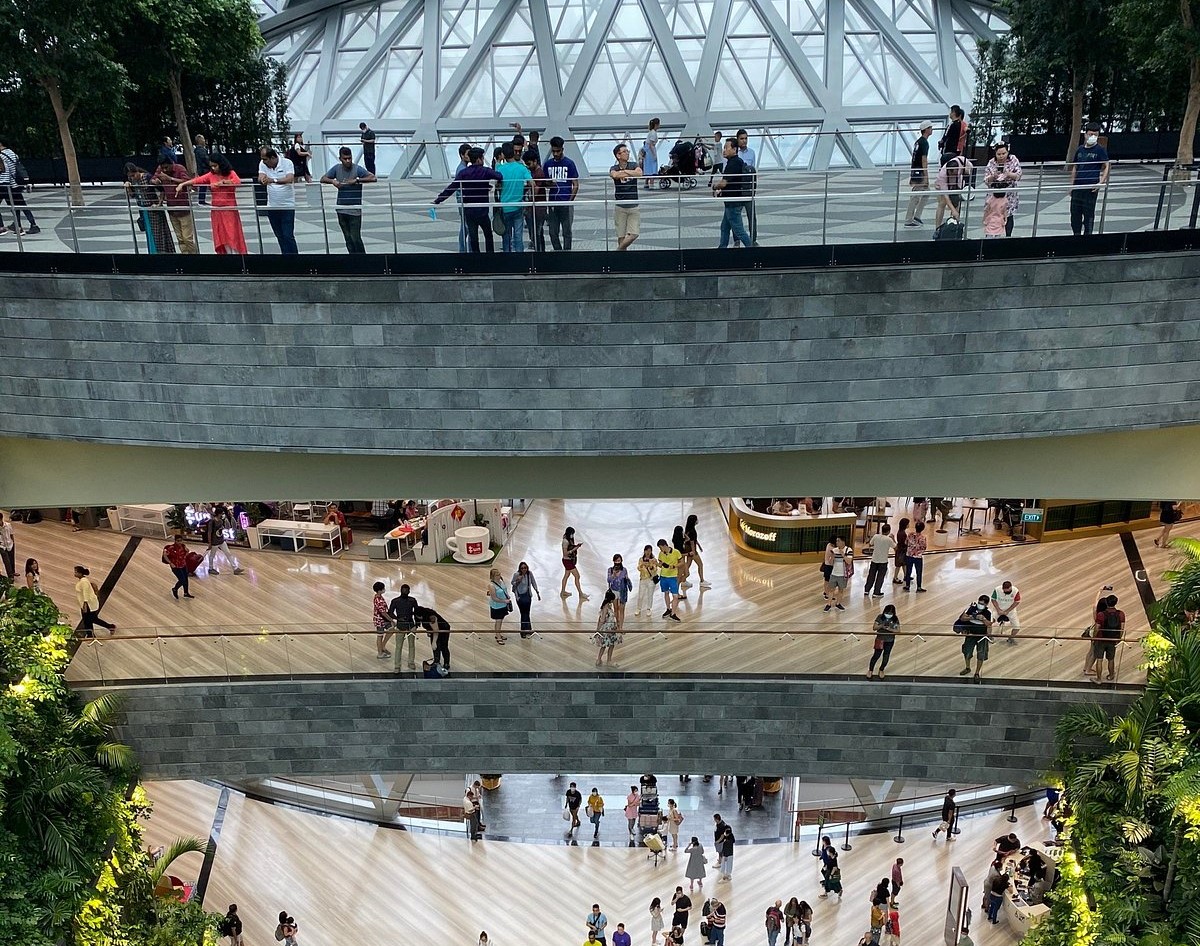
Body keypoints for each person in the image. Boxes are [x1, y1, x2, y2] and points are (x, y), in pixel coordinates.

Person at [433, 146, 503, 253]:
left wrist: (439, 199)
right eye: (482, 158)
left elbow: (452, 187)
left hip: (469, 210)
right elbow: (499, 176)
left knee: (473, 238)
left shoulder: (463, 173)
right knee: (488, 235)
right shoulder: (485, 171)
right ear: (479, 159)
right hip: (482, 210)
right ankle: (490, 258)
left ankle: (475, 260)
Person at [175, 153, 247, 254]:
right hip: (217, 210)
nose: (213, 168)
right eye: (211, 166)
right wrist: (182, 184)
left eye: (215, 166)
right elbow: (197, 180)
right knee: (222, 235)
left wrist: (224, 182)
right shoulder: (211, 175)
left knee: (232, 234)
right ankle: (227, 256)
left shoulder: (230, 173)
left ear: (221, 164)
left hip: (229, 210)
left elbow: (237, 181)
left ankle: (236, 255)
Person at [321, 147, 376, 253]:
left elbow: (373, 178)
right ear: (340, 159)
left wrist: (357, 180)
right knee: (347, 238)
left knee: (355, 237)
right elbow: (323, 178)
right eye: (345, 159)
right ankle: (353, 258)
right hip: (341, 209)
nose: (348, 161)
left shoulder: (357, 169)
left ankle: (362, 259)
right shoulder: (337, 168)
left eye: (349, 158)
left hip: (354, 210)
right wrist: (333, 181)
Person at [150, 158, 199, 254]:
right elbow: (153, 179)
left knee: (187, 238)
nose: (164, 170)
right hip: (172, 209)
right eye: (162, 168)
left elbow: (187, 181)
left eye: (166, 167)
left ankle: (194, 256)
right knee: (180, 238)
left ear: (171, 164)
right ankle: (185, 256)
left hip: (183, 208)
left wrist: (170, 179)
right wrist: (155, 181)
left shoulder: (179, 168)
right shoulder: (160, 169)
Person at [124, 163, 175, 254]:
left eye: (133, 175)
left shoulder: (147, 177)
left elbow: (161, 189)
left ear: (137, 171)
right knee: (150, 233)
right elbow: (133, 195)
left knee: (158, 234)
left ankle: (162, 253)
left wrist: (159, 204)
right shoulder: (132, 181)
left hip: (153, 210)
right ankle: (153, 253)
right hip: (143, 211)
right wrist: (129, 187)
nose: (132, 178)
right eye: (130, 176)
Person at [1069, 123, 1110, 236]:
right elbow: (1075, 166)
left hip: (1091, 187)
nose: (1093, 137)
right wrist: (1071, 185)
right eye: (1091, 134)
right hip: (1078, 186)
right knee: (1075, 214)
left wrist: (1101, 182)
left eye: (1095, 135)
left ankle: (1088, 236)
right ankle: (1076, 235)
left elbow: (1106, 165)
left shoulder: (1099, 150)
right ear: (1086, 135)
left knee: (1088, 215)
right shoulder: (1080, 150)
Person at [713, 138, 752, 249]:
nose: (724, 150)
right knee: (724, 227)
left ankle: (753, 250)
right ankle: (722, 249)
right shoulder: (736, 161)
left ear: (734, 149)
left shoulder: (733, 163)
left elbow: (724, 183)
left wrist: (715, 186)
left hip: (733, 202)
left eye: (726, 148)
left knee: (739, 231)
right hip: (732, 201)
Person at [259, 148, 298, 254]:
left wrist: (273, 180)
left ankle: (295, 259)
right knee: (279, 235)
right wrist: (262, 179)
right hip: (272, 206)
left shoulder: (287, 163)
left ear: (272, 158)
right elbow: (261, 175)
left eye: (265, 159)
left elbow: (290, 179)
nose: (264, 162)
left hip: (287, 206)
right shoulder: (263, 164)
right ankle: (285, 257)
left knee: (288, 235)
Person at [494, 141, 531, 252]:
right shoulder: (521, 168)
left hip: (505, 207)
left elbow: (497, 185)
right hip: (518, 206)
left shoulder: (500, 169)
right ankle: (520, 259)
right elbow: (532, 183)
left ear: (504, 155)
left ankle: (507, 260)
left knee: (506, 237)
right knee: (518, 236)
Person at [543, 136, 579, 250]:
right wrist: (549, 184)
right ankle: (558, 252)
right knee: (553, 232)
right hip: (553, 202)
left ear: (562, 149)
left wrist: (569, 201)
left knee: (567, 232)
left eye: (558, 151)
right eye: (553, 151)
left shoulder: (569, 163)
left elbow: (576, 184)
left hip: (565, 202)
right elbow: (544, 183)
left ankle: (567, 253)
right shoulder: (548, 164)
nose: (555, 154)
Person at [0, 138, 40, 235]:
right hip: (15, 183)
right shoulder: (13, 154)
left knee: (15, 205)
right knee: (20, 205)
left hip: (6, 183)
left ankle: (7, 227)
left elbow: (6, 171)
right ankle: (29, 225)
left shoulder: (1, 156)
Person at [984, 142, 1022, 236]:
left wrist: (1008, 173)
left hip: (1009, 193)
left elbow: (1018, 175)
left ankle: (1007, 236)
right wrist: (993, 176)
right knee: (993, 214)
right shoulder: (991, 162)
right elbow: (986, 180)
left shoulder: (1013, 159)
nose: (1001, 156)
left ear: (1007, 152)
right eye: (999, 154)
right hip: (994, 194)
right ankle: (991, 234)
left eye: (1004, 153)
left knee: (1008, 215)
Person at [1084, 594, 1124, 682]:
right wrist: (1119, 638)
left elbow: (1097, 628)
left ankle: (1098, 679)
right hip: (1112, 639)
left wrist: (1094, 638)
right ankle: (1111, 675)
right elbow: (1122, 628)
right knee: (1111, 659)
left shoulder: (1101, 615)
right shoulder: (1121, 614)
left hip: (1101, 639)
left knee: (1099, 659)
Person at [609, 144, 643, 250]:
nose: (627, 153)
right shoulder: (614, 168)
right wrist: (630, 173)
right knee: (621, 236)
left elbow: (639, 173)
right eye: (625, 151)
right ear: (618, 155)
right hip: (620, 206)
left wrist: (623, 172)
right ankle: (622, 259)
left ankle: (617, 252)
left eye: (628, 151)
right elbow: (614, 175)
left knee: (634, 234)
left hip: (633, 205)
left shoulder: (633, 164)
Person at [903, 120, 934, 227]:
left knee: (925, 193)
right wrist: (926, 176)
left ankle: (916, 216)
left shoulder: (918, 142)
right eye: (930, 128)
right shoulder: (924, 143)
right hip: (920, 172)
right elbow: (924, 160)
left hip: (915, 171)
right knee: (916, 196)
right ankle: (910, 219)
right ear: (926, 130)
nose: (931, 129)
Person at [957, 594, 994, 680]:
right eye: (979, 603)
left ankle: (977, 673)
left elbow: (989, 624)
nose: (980, 605)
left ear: (986, 604)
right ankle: (967, 667)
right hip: (971, 634)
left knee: (981, 654)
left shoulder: (988, 612)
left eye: (982, 604)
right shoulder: (971, 608)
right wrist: (973, 617)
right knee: (967, 652)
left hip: (982, 635)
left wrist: (983, 619)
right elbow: (962, 618)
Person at [74, 565, 116, 636]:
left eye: (76, 572)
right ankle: (91, 634)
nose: (74, 573)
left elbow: (86, 593)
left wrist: (85, 604)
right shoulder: (82, 581)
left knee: (90, 620)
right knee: (88, 620)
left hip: (88, 605)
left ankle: (110, 627)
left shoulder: (84, 582)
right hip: (86, 605)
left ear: (80, 573)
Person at [934, 153, 971, 230]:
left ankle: (954, 226)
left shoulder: (961, 161)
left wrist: (968, 171)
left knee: (956, 202)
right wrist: (953, 210)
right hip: (944, 186)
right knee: (942, 202)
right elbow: (946, 196)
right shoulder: (942, 175)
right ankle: (937, 228)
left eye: (955, 173)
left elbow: (971, 166)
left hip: (957, 185)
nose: (953, 176)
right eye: (951, 174)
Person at [523, 148, 549, 252]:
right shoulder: (534, 172)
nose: (528, 166)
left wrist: (527, 204)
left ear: (535, 161)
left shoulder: (539, 174)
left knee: (536, 233)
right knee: (537, 233)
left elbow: (535, 192)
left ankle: (540, 253)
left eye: (529, 164)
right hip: (535, 207)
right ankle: (540, 252)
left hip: (538, 208)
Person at [205, 505, 244, 575]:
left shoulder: (221, 521)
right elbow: (209, 532)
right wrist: (210, 543)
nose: (223, 514)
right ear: (219, 514)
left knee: (228, 553)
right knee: (212, 555)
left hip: (221, 540)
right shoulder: (212, 521)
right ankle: (210, 568)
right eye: (222, 513)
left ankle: (235, 568)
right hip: (214, 542)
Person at [387, 582, 418, 669]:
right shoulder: (395, 601)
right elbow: (390, 612)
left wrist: (416, 624)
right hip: (401, 626)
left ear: (409, 591)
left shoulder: (412, 600)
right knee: (399, 646)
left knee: (411, 645)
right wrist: (397, 618)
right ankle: (397, 665)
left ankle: (411, 662)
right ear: (401, 591)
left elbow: (417, 612)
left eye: (406, 590)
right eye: (404, 590)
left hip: (410, 625)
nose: (405, 592)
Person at [868, 604, 900, 679]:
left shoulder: (895, 619)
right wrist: (881, 626)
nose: (888, 615)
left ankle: (881, 669)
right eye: (887, 613)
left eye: (890, 613)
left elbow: (898, 630)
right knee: (876, 656)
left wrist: (890, 629)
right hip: (880, 639)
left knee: (886, 656)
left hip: (890, 641)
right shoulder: (880, 617)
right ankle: (870, 670)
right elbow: (874, 628)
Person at [510, 561, 540, 636]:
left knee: (527, 612)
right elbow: (512, 583)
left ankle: (528, 629)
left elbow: (533, 582)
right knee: (523, 613)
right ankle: (523, 631)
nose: (524, 569)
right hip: (520, 596)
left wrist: (537, 592)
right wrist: (518, 580)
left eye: (525, 568)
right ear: (520, 569)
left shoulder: (529, 574)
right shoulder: (516, 574)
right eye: (522, 568)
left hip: (527, 595)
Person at [823, 535, 853, 612]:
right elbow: (830, 562)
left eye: (838, 541)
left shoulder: (848, 550)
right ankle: (828, 604)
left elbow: (849, 561)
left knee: (841, 590)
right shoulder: (834, 550)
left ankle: (838, 603)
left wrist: (843, 555)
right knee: (831, 589)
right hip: (834, 573)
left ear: (843, 542)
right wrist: (832, 556)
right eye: (836, 541)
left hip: (843, 574)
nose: (836, 542)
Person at [865, 524, 894, 598]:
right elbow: (896, 548)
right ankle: (876, 592)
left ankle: (867, 590)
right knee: (880, 577)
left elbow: (870, 544)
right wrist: (893, 539)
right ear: (888, 531)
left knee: (871, 575)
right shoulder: (889, 540)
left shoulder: (876, 536)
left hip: (874, 559)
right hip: (883, 561)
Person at [657, 538, 683, 622]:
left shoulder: (676, 552)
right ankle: (668, 609)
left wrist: (674, 566)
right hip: (663, 576)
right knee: (666, 593)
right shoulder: (661, 554)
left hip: (672, 577)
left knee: (675, 596)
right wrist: (657, 564)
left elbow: (682, 562)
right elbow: (660, 565)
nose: (660, 550)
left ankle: (673, 613)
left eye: (661, 547)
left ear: (664, 545)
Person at [162, 534, 194, 600]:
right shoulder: (171, 548)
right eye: (178, 541)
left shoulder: (183, 546)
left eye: (181, 541)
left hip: (183, 565)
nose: (179, 542)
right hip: (176, 567)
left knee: (186, 579)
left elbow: (186, 553)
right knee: (182, 580)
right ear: (175, 541)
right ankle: (175, 589)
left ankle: (186, 593)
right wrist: (170, 563)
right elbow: (165, 555)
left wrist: (187, 552)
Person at [593, 590, 621, 666]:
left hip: (611, 629)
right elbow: (602, 620)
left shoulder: (607, 606)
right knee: (609, 645)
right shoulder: (606, 607)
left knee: (606, 645)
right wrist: (598, 630)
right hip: (608, 630)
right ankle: (606, 660)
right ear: (611, 600)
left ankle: (599, 659)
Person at [560, 527, 588, 599]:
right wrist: (574, 549)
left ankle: (563, 592)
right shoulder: (565, 541)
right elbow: (565, 553)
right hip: (567, 561)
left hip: (568, 561)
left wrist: (576, 546)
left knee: (566, 576)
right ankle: (580, 594)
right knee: (577, 576)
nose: (573, 535)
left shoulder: (569, 540)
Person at [606, 554, 632, 629]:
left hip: (622, 592)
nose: (617, 562)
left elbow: (626, 579)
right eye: (616, 561)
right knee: (616, 609)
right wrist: (613, 575)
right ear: (613, 561)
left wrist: (626, 579)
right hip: (614, 591)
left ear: (621, 561)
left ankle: (621, 627)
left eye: (619, 560)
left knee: (622, 609)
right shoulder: (610, 570)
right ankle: (617, 623)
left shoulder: (624, 570)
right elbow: (608, 580)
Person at [486, 568, 511, 645]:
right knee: (498, 621)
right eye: (497, 575)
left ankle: (498, 633)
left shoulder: (501, 582)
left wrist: (507, 596)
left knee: (500, 620)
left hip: (503, 605)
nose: (499, 576)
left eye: (499, 574)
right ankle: (498, 636)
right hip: (497, 606)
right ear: (493, 576)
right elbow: (494, 598)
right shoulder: (491, 585)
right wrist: (505, 601)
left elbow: (504, 590)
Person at [635, 545, 659, 617]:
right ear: (644, 551)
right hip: (643, 579)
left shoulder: (654, 559)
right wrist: (642, 565)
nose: (648, 552)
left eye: (649, 551)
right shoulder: (641, 559)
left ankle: (649, 608)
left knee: (650, 595)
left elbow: (655, 569)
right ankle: (638, 608)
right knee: (640, 595)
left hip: (651, 580)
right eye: (646, 550)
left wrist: (650, 565)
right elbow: (639, 568)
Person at [372, 580, 394, 659]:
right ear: (379, 590)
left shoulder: (377, 597)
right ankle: (380, 652)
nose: (384, 589)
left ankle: (382, 646)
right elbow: (383, 612)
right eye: (383, 588)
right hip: (381, 620)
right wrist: (391, 620)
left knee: (390, 630)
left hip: (380, 619)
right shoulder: (379, 600)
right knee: (380, 636)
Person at [902, 522, 927, 592]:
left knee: (908, 571)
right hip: (918, 557)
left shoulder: (910, 534)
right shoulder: (923, 538)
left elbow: (905, 543)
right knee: (919, 572)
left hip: (909, 555)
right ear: (923, 529)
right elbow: (924, 547)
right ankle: (919, 587)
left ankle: (907, 586)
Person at [640, 117, 661, 187]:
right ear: (656, 125)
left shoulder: (651, 132)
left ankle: (646, 183)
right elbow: (651, 145)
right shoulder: (653, 133)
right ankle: (651, 183)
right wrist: (654, 155)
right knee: (652, 167)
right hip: (650, 151)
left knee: (648, 167)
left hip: (648, 150)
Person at [192, 135, 210, 204]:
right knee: (204, 185)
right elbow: (205, 159)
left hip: (201, 169)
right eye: (203, 139)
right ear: (199, 140)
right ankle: (201, 200)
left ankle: (201, 199)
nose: (204, 141)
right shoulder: (201, 150)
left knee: (203, 185)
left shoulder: (197, 150)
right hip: (204, 169)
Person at [0, 510, 14, 580]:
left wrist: (13, 542)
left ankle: (13, 572)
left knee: (11, 559)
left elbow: (11, 534)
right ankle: (10, 576)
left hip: (10, 543)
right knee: (6, 561)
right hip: (1, 546)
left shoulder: (8, 525)